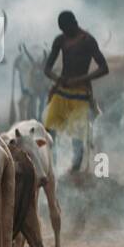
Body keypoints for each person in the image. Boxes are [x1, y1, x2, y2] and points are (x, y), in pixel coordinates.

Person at [43, 10, 108, 173]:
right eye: (62, 30)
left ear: (74, 23)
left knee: (77, 134)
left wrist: (81, 79)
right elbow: (47, 68)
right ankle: (51, 163)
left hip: (80, 93)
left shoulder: (88, 40)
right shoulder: (60, 40)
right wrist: (57, 79)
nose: (65, 33)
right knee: (49, 128)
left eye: (66, 29)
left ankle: (75, 170)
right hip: (62, 91)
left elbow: (104, 68)